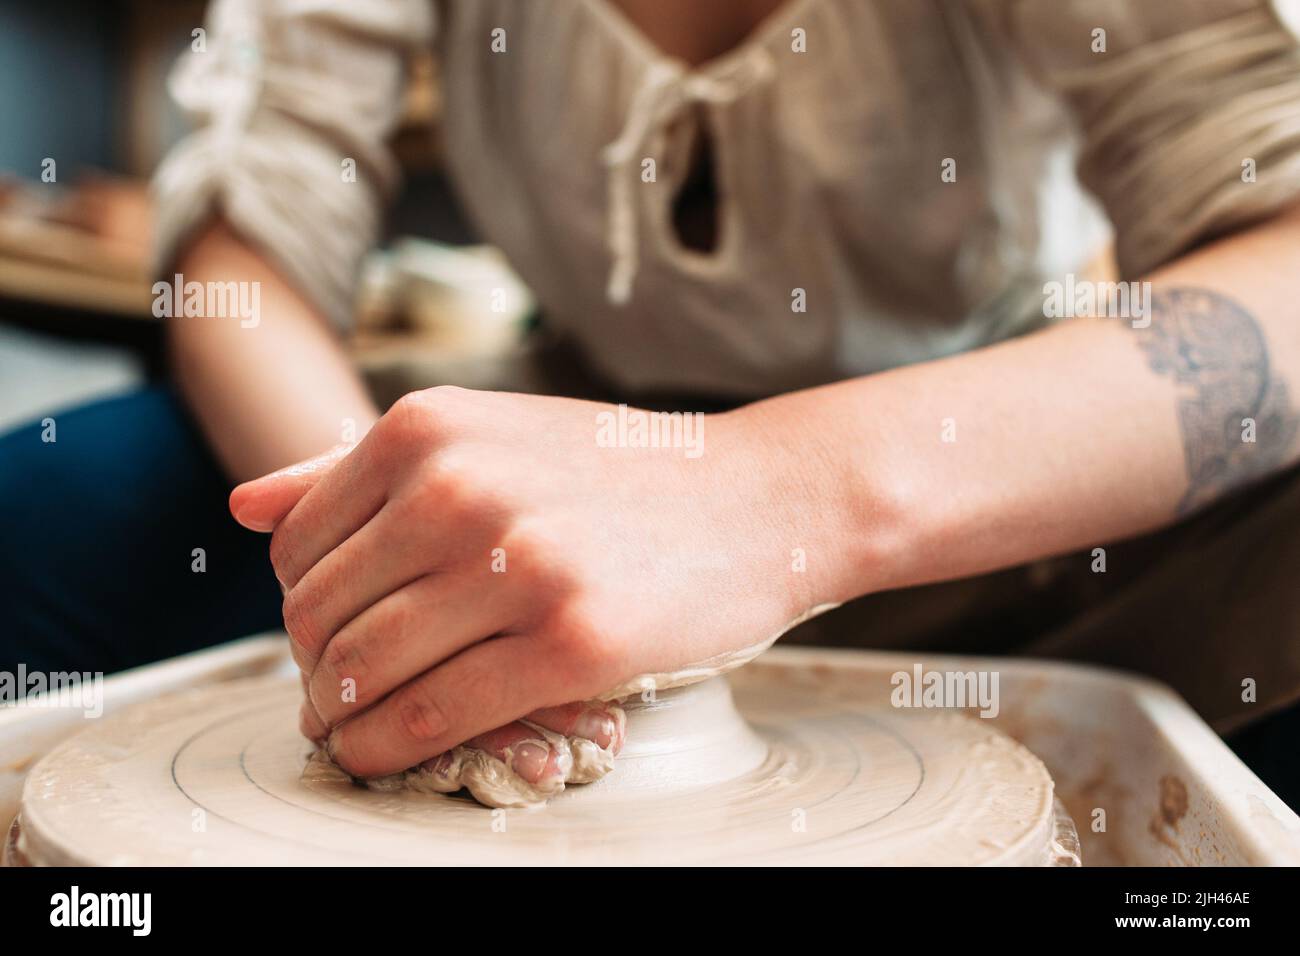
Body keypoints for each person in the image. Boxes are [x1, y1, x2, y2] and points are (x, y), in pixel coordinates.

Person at [4, 0, 1300, 803]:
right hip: (582, 416)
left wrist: (775, 496)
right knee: (51, 505)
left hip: (986, 457)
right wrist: (403, 571)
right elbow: (250, 240)